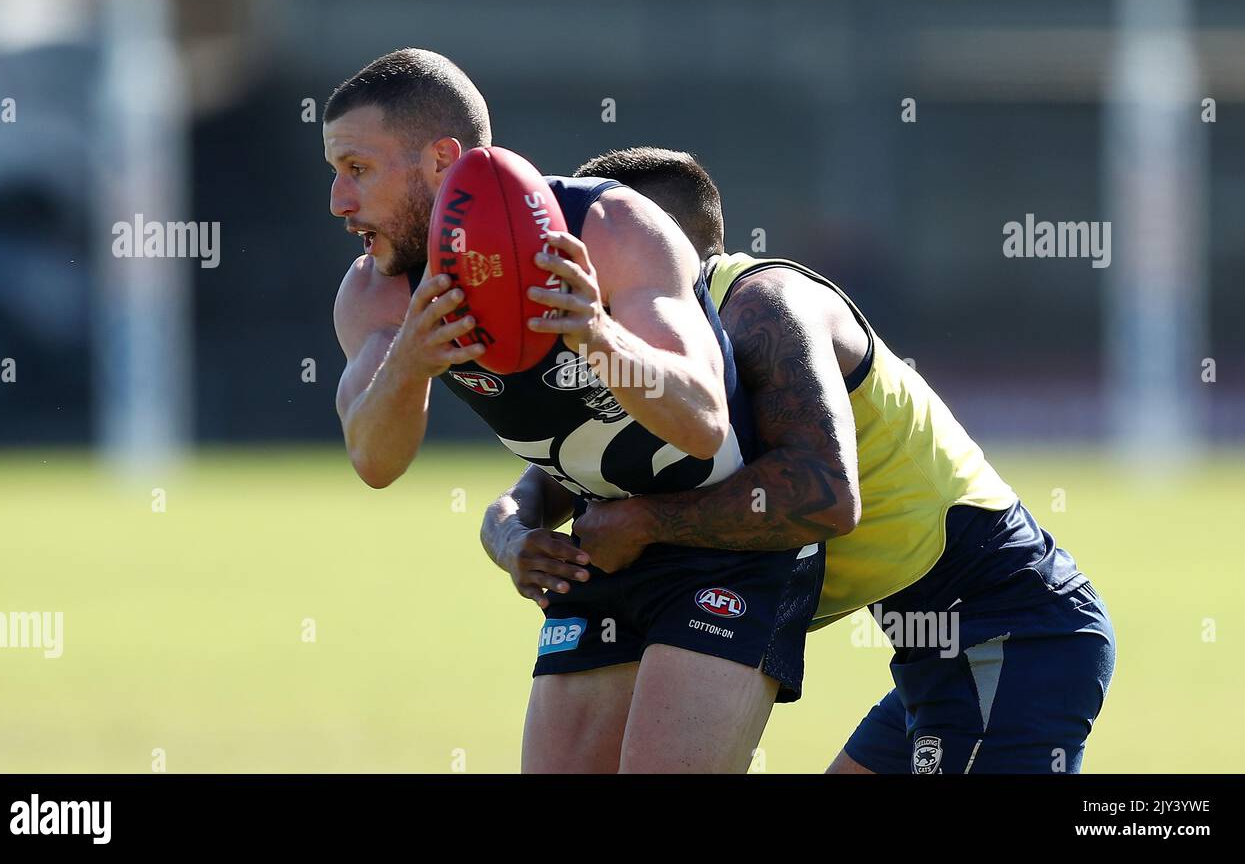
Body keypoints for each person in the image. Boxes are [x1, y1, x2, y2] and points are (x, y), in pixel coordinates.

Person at [483, 146, 1116, 773]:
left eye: (592, 231)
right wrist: (514, 530)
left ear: (653, 241)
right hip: (937, 658)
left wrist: (645, 523)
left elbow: (825, 493)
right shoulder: (651, 353)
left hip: (1010, 634)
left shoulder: (765, 304)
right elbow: (567, 467)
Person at [325, 52, 823, 773]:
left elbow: (703, 419)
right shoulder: (374, 298)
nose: (339, 201)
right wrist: (413, 358)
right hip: (597, 548)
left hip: (728, 544)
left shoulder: (610, 229)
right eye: (336, 173)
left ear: (441, 160)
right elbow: (374, 462)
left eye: (357, 170)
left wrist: (595, 332)